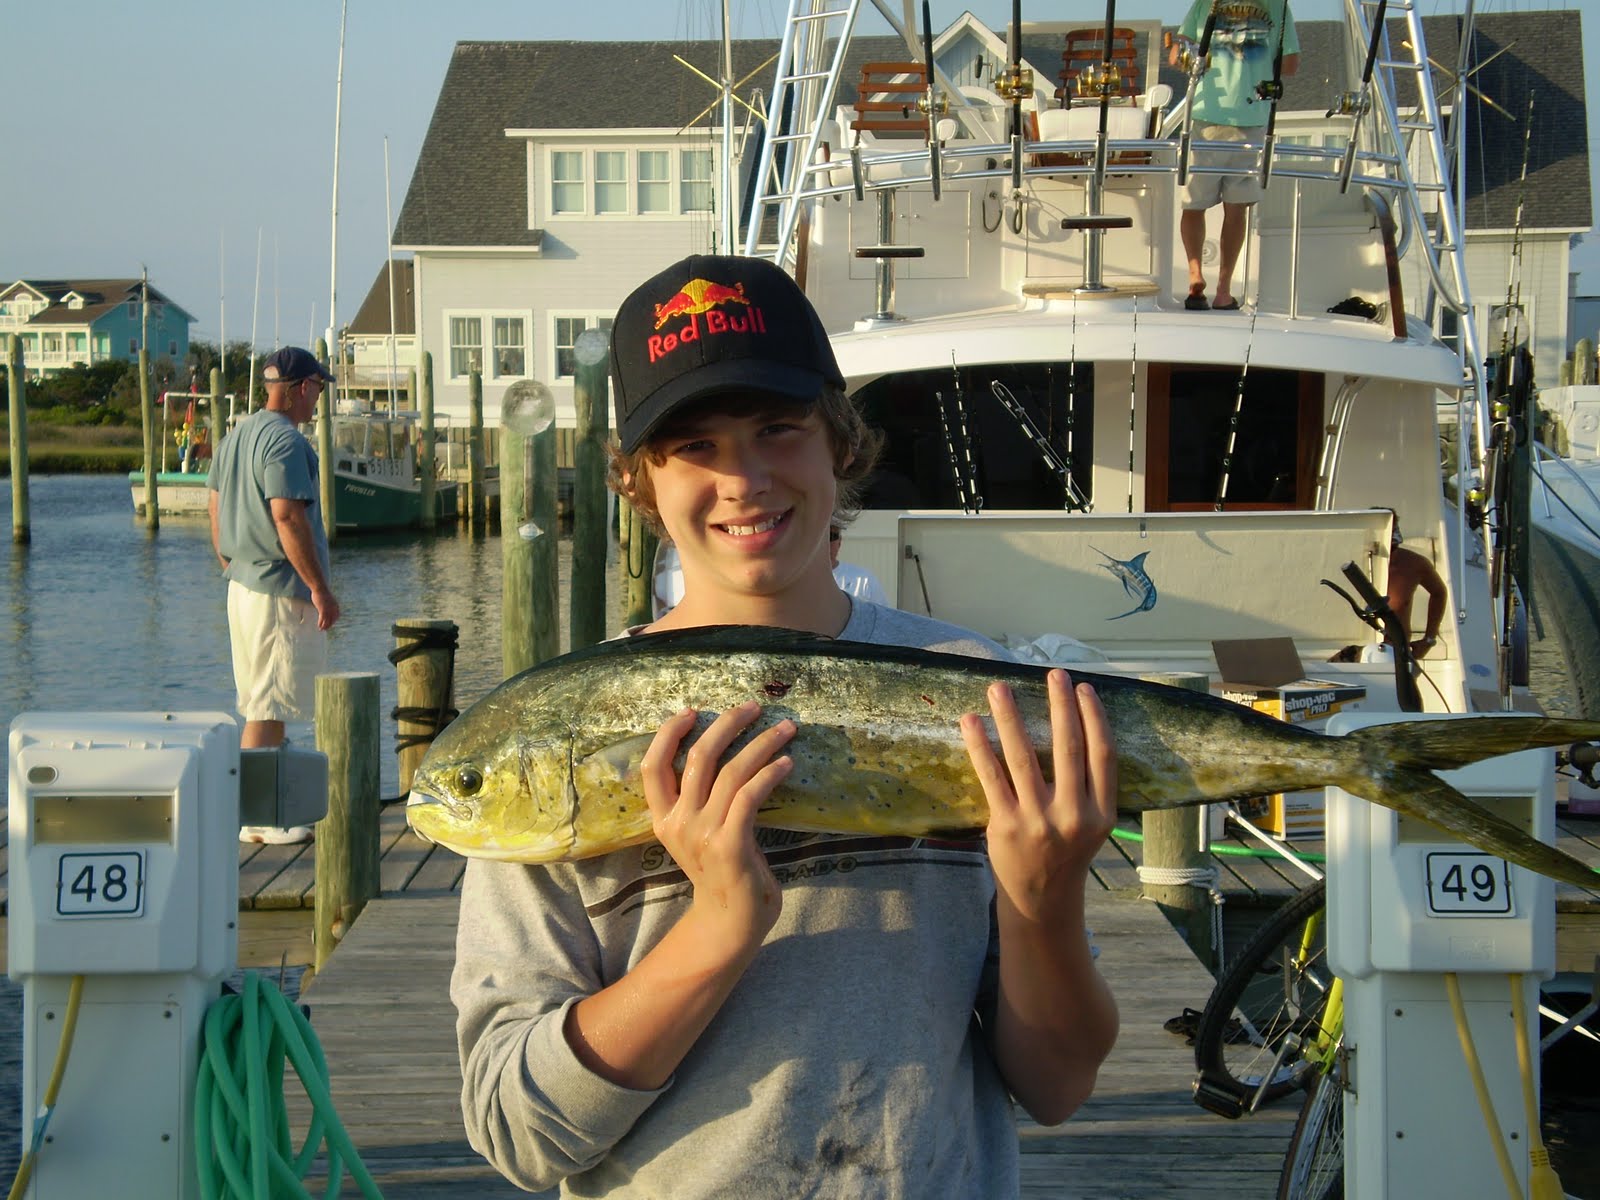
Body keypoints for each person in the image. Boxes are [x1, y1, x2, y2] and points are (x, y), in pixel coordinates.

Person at [451, 253, 1121, 1197]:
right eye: (694, 446)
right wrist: (718, 926)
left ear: (840, 443)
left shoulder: (976, 694)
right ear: (640, 482)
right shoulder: (563, 726)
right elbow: (516, 1131)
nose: (744, 478)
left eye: (778, 429)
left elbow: (1055, 1086)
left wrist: (1045, 900)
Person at [208, 346, 341, 844]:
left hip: (242, 586)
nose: (318, 399)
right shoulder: (285, 442)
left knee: (267, 699)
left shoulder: (238, 434)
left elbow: (215, 506)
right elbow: (287, 516)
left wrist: (231, 564)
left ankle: (265, 810)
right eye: (319, 389)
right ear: (302, 387)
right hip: (276, 590)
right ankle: (256, 818)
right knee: (267, 702)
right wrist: (319, 589)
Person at [1171, 0, 1299, 311]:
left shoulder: (1205, 4)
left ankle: (1194, 277)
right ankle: (1224, 291)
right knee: (1236, 209)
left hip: (1207, 115)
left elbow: (1178, 55)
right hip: (1251, 117)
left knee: (1194, 204)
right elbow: (1291, 65)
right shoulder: (1278, 7)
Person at [1386, 523, 1447, 659]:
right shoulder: (1348, 563)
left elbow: (1439, 593)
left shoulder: (1415, 564)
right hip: (1351, 653)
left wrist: (1429, 640)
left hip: (1396, 653)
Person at [828, 521, 889, 604]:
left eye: (831, 536)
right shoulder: (804, 582)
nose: (825, 543)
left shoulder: (865, 580)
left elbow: (882, 615)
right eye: (820, 537)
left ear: (839, 541)